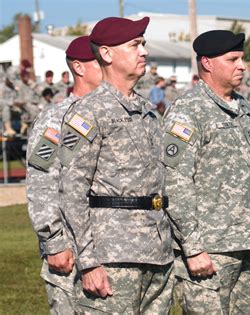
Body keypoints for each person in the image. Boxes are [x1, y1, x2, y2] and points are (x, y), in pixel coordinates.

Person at [58, 16, 174, 314]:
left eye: (144, 44)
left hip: (158, 253)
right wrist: (88, 261)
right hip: (113, 255)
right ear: (107, 54)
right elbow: (72, 190)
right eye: (135, 45)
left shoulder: (148, 112)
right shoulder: (88, 112)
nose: (144, 51)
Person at [163, 29, 250, 314]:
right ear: (207, 63)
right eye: (233, 59)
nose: (242, 65)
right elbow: (174, 181)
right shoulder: (187, 111)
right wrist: (193, 247)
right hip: (211, 248)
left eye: (242, 58)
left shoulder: (245, 108)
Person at [26, 35, 102, 314]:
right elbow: (41, 180)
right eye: (99, 61)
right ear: (79, 68)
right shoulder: (56, 119)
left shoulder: (110, 113)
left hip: (107, 243)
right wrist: (53, 242)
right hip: (69, 248)